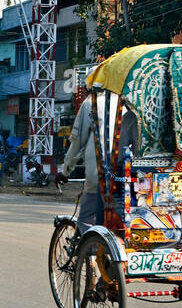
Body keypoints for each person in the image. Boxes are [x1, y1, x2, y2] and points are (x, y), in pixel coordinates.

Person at [57, 96, 139, 226]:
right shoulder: (133, 104)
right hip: (128, 178)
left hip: (99, 176)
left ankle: (93, 246)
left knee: (86, 221)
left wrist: (65, 171)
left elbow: (77, 142)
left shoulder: (91, 102)